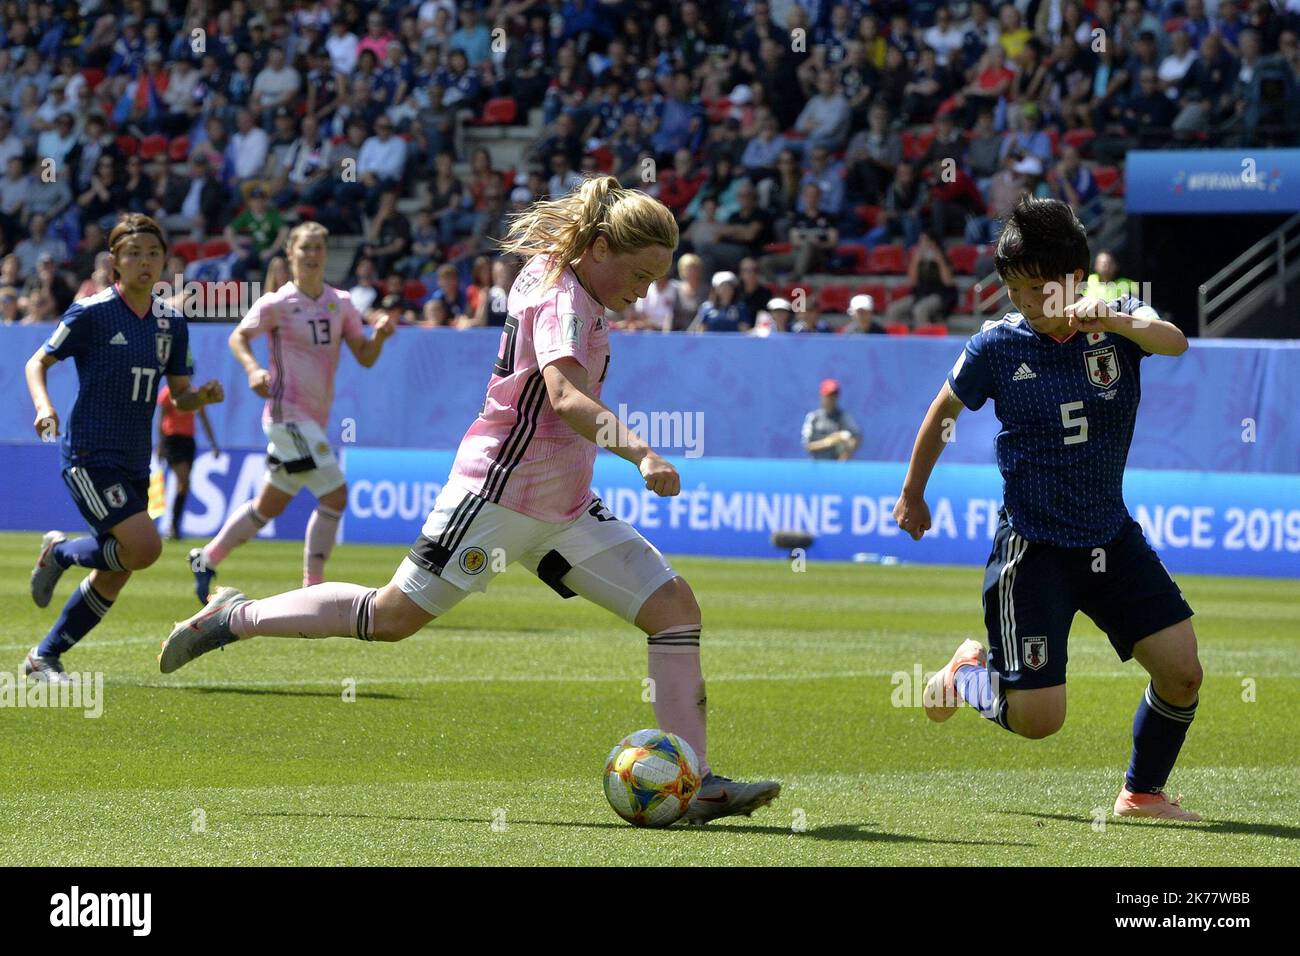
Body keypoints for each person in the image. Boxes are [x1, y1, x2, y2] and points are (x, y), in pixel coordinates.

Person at [160, 176, 780, 825]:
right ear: (599, 247)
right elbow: (566, 399)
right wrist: (644, 453)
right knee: (390, 617)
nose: (646, 291)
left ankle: (700, 783)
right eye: (642, 274)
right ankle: (235, 617)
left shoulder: (561, 274)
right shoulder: (564, 297)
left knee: (674, 609)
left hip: (565, 508)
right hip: (497, 496)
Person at [892, 197, 1203, 821]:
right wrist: (912, 492)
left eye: (1039, 289)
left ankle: (1141, 795)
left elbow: (1176, 343)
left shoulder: (1119, 319)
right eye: (1015, 291)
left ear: (1076, 276)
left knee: (1183, 674)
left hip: (1111, 539)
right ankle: (967, 673)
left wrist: (1114, 320)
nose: (1028, 304)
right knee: (1039, 721)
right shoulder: (997, 347)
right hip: (1033, 549)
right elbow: (942, 413)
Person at [23, 213, 225, 682]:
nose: (145, 262)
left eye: (154, 254)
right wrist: (43, 407)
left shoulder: (171, 324)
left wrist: (202, 397)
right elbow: (38, 362)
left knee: (119, 568)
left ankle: (42, 658)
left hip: (136, 458)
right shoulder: (91, 313)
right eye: (133, 253)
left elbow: (179, 395)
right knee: (145, 548)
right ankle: (59, 554)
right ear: (115, 261)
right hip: (89, 455)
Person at [188, 222, 396, 603]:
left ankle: (206, 558)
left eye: (319, 247)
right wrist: (253, 369)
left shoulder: (341, 302)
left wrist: (379, 336)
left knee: (269, 505)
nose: (312, 255)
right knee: (335, 496)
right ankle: (312, 589)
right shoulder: (277, 303)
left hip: (313, 419)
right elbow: (238, 336)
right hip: (287, 415)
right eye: (305, 249)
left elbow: (364, 357)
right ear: (291, 255)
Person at [156, 382, 221, 540]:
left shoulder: (196, 394)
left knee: (184, 485)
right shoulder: (167, 393)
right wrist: (160, 444)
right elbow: (161, 418)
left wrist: (213, 443)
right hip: (172, 440)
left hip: (188, 441)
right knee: (183, 480)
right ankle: (172, 526)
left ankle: (174, 526)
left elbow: (204, 419)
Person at [802, 379, 862, 460]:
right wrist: (829, 441)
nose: (832, 399)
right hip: (817, 466)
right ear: (822, 396)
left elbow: (856, 438)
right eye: (829, 395)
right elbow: (807, 446)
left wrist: (846, 445)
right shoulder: (813, 417)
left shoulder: (844, 417)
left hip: (836, 468)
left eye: (834, 395)